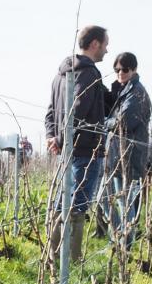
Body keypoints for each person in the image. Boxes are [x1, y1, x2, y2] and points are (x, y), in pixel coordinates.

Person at [44, 25, 110, 261]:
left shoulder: (59, 75)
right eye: (105, 45)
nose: (107, 50)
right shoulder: (90, 73)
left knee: (62, 201)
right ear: (94, 44)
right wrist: (61, 138)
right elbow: (79, 108)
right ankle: (72, 258)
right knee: (78, 204)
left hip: (67, 149)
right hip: (87, 149)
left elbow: (51, 112)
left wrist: (52, 137)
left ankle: (53, 255)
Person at [99, 53, 152, 249]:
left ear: (134, 69)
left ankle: (125, 247)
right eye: (117, 70)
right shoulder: (125, 91)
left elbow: (124, 123)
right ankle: (118, 239)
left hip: (129, 157)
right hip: (116, 156)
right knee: (105, 200)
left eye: (125, 69)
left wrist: (103, 123)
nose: (120, 73)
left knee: (125, 204)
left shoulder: (137, 93)